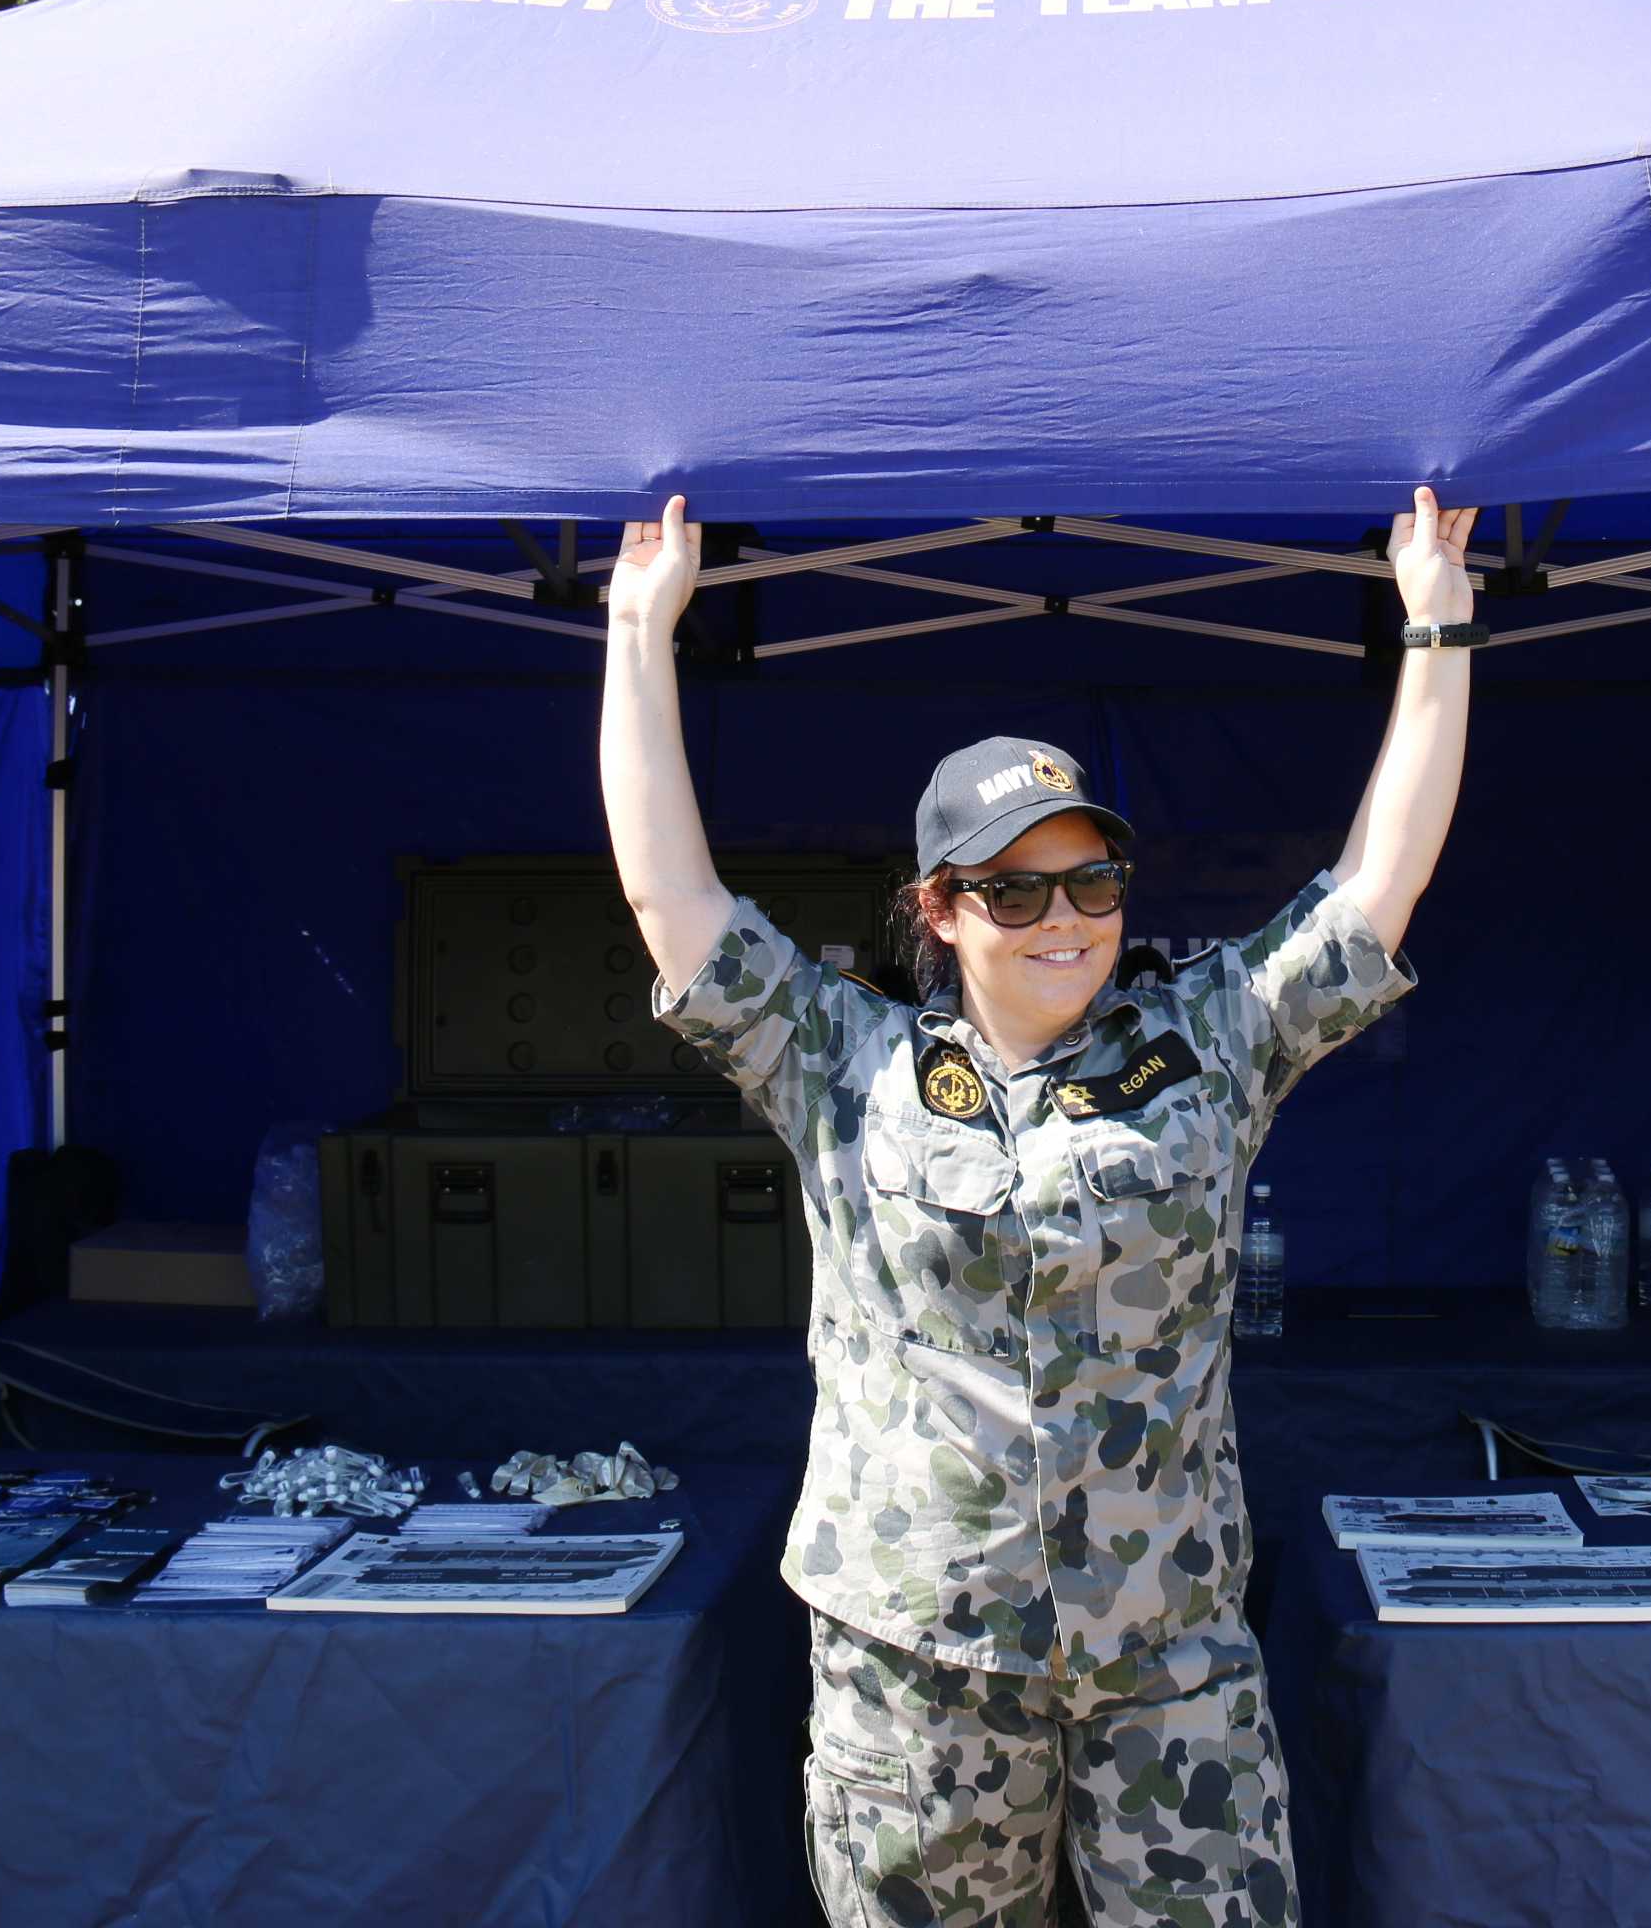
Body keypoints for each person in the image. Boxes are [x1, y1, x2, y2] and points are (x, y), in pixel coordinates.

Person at [598, 490, 1479, 1927]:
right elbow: (670, 898)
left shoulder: (1209, 1042)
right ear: (938, 910)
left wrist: (1434, 623)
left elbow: (1382, 887)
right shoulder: (846, 1064)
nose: (1064, 916)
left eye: (1092, 880)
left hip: (1168, 1659)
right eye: (1014, 890)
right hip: (919, 1663)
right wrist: (640, 634)